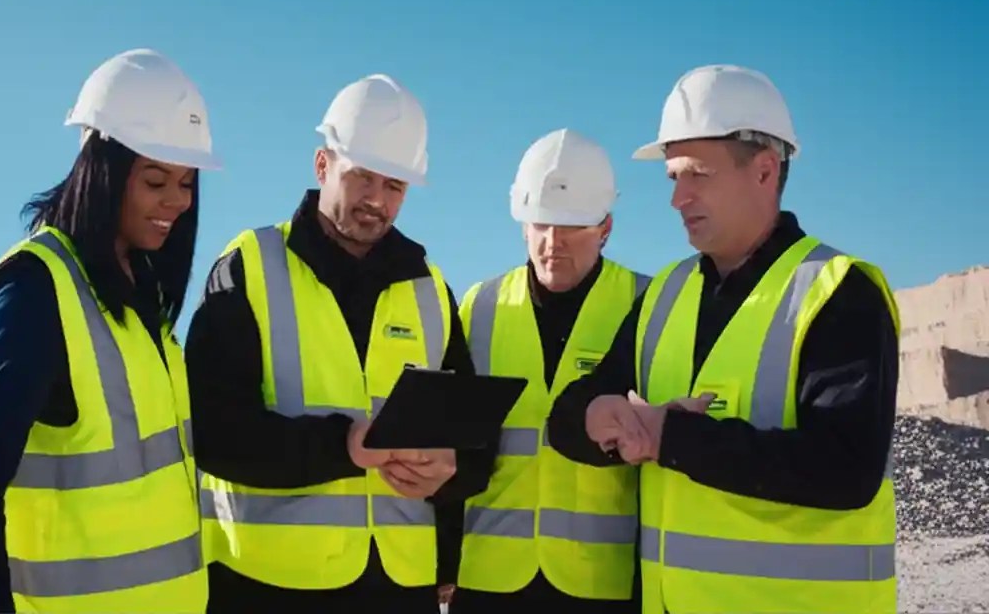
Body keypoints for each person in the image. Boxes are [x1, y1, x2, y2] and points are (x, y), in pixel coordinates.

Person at [548, 64, 899, 614]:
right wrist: (597, 416)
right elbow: (571, 413)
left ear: (764, 171)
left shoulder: (838, 293)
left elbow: (845, 470)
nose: (677, 199)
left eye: (697, 175)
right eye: (672, 179)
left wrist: (673, 436)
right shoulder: (665, 295)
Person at [184, 73, 496, 613]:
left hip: (401, 587)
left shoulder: (431, 291)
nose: (377, 201)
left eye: (395, 186)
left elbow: (469, 444)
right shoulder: (249, 267)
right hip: (266, 584)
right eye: (363, 178)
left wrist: (453, 473)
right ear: (322, 165)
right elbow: (211, 431)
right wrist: (342, 446)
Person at [0, 48, 223, 614]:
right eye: (156, 180)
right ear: (103, 170)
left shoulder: (143, 300)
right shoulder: (35, 293)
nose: (176, 203)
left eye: (186, 184)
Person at [446, 128, 647, 614]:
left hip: (602, 581)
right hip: (490, 573)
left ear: (605, 227)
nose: (553, 242)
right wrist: (444, 557)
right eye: (540, 224)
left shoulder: (647, 303)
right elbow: (456, 440)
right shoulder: (482, 306)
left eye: (572, 225)